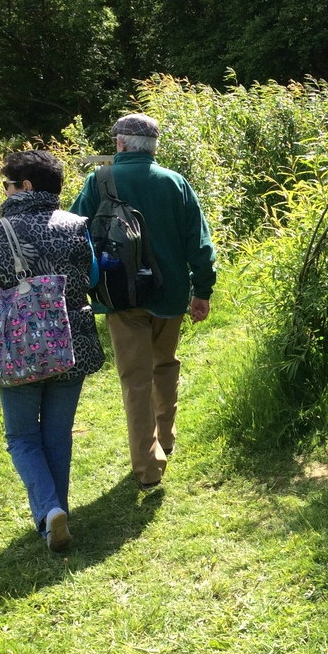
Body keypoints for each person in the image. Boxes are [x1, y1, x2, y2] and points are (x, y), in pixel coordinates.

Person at [0, 150, 105, 552]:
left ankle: (48, 512)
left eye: (8, 183)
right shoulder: (77, 225)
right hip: (72, 340)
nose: (5, 190)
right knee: (58, 436)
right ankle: (54, 515)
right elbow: (92, 277)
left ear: (25, 187)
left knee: (23, 438)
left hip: (17, 348)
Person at [70, 113, 216, 491]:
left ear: (119, 144)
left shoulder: (98, 180)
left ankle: (148, 469)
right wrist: (202, 290)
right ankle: (165, 439)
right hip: (168, 295)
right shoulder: (175, 183)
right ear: (153, 147)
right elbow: (199, 243)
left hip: (120, 297)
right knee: (164, 366)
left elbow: (74, 232)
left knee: (135, 381)